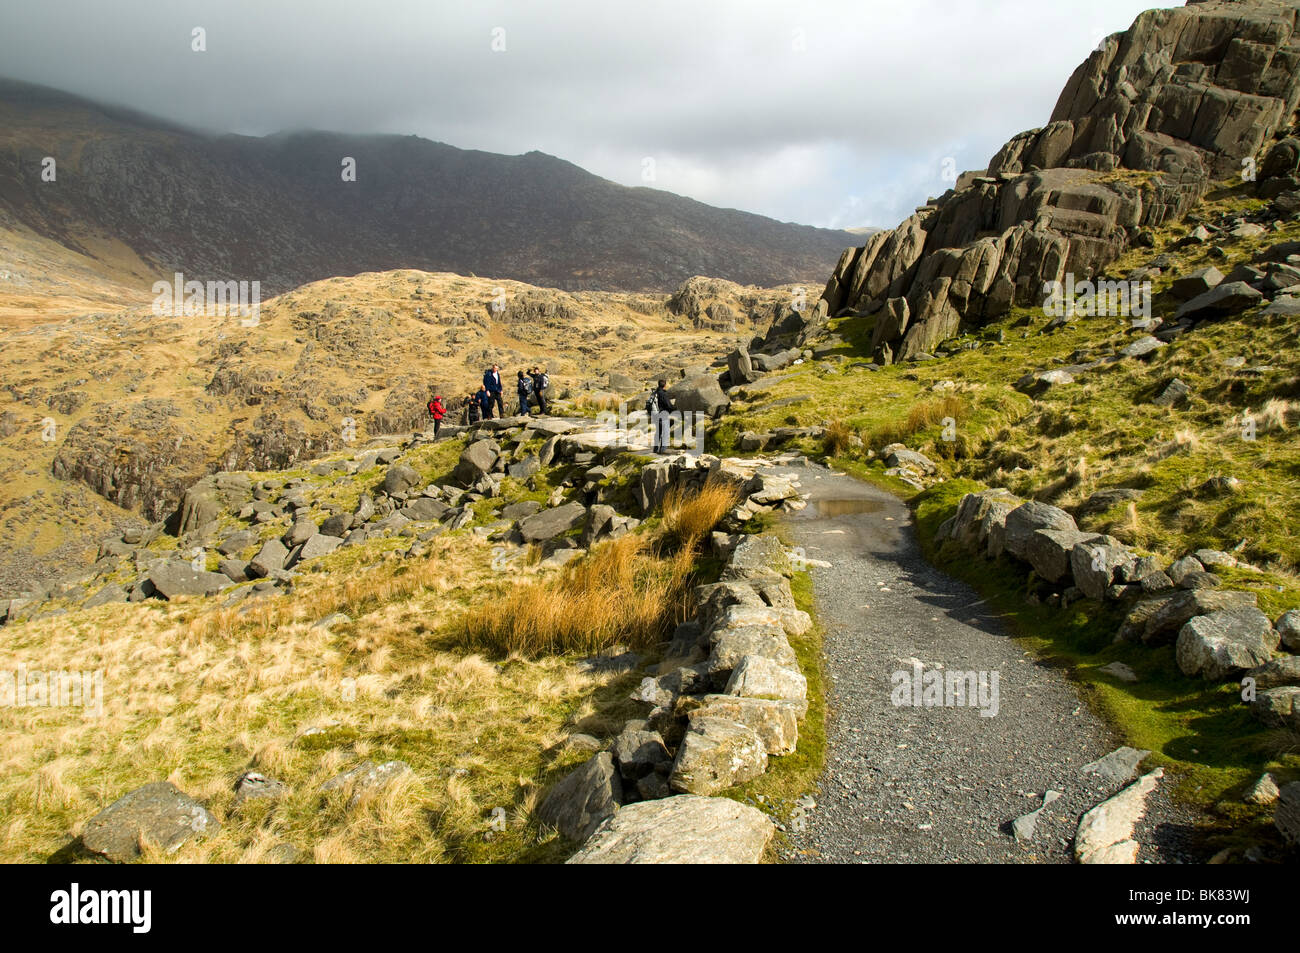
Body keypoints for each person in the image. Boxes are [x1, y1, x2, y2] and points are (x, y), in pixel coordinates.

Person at [648, 379, 675, 453]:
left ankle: (655, 449)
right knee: (665, 431)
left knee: (658, 431)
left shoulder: (655, 393)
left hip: (655, 415)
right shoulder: (663, 393)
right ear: (665, 385)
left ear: (658, 384)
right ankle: (662, 450)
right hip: (662, 414)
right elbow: (668, 405)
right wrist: (675, 409)